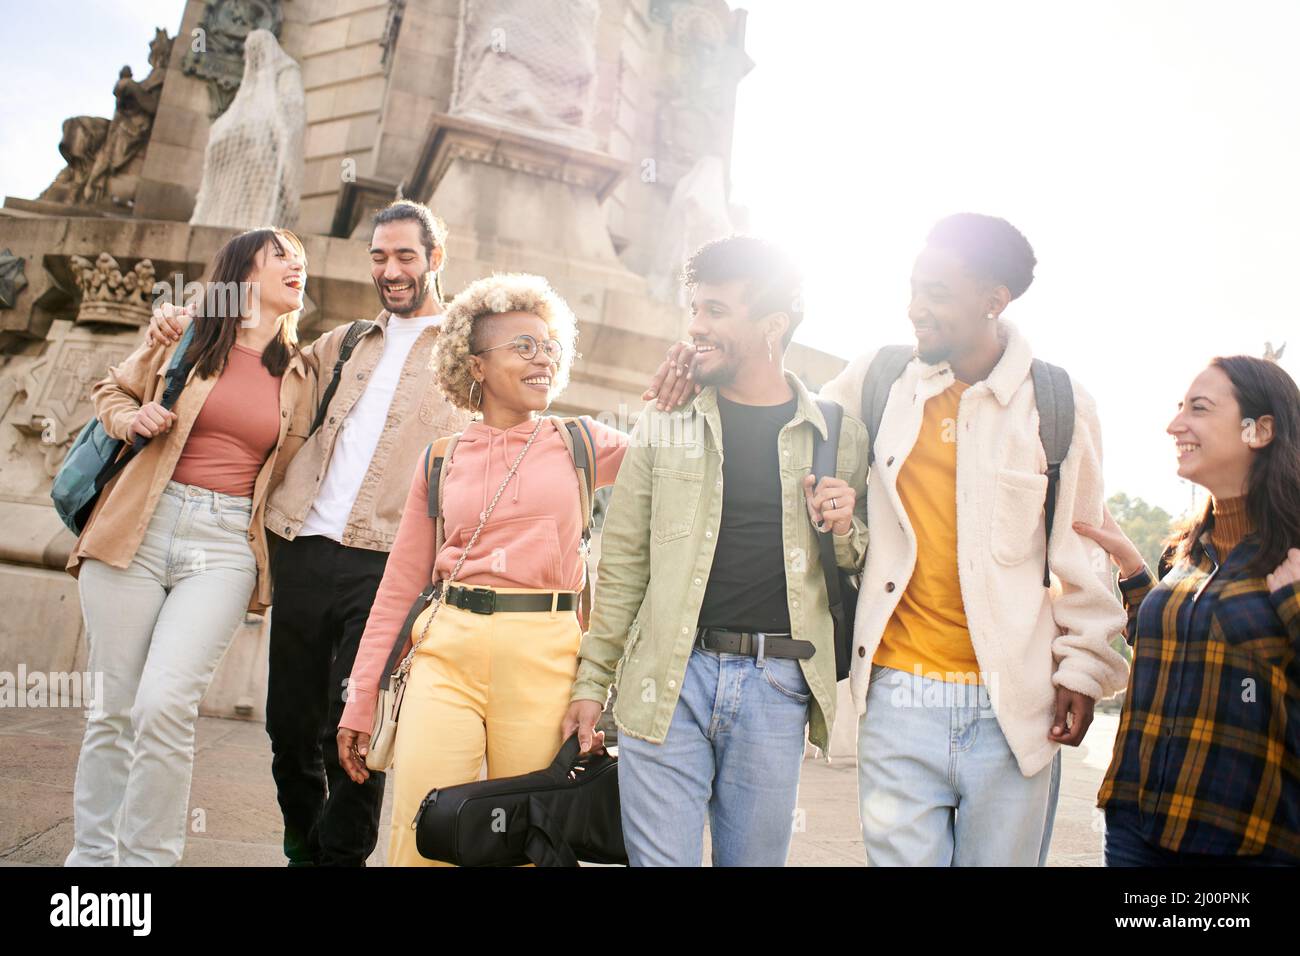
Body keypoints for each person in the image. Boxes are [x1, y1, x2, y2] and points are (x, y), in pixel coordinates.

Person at [146, 200, 469, 866]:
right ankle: (304, 847)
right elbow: (258, 357)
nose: (391, 270)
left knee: (352, 729)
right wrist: (182, 323)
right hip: (303, 546)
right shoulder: (342, 343)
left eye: (406, 255)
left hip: (388, 563)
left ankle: (335, 860)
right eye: (379, 257)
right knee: (288, 728)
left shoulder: (465, 354)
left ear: (436, 259)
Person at [565, 236, 870, 866]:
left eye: (716, 312)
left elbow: (862, 559)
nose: (696, 328)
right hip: (668, 681)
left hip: (777, 687)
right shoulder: (667, 421)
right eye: (694, 311)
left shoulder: (837, 433)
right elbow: (621, 567)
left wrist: (843, 527)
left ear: (772, 326)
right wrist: (591, 683)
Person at [337, 273, 628, 867]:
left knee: (524, 836)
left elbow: (676, 466)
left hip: (547, 657)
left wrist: (688, 395)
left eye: (549, 346)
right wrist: (361, 698)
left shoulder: (581, 439)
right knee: (421, 828)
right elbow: (399, 589)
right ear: (475, 366)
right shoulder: (441, 458)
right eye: (523, 346)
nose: (542, 357)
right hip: (446, 650)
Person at [65, 227, 317, 866]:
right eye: (280, 255)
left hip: (226, 542)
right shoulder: (187, 336)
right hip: (138, 526)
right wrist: (132, 418)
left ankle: (147, 867)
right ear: (243, 272)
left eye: (301, 259)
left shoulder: (303, 372)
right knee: (113, 709)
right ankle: (93, 862)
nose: (298, 266)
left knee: (165, 703)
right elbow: (112, 391)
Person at [1078, 355, 1300, 865]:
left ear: (1260, 430)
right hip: (1135, 823)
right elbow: (1181, 650)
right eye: (1180, 408)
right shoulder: (1189, 549)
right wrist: (1134, 572)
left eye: (1198, 409)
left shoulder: (1291, 554)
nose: (1175, 424)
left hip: (1245, 838)